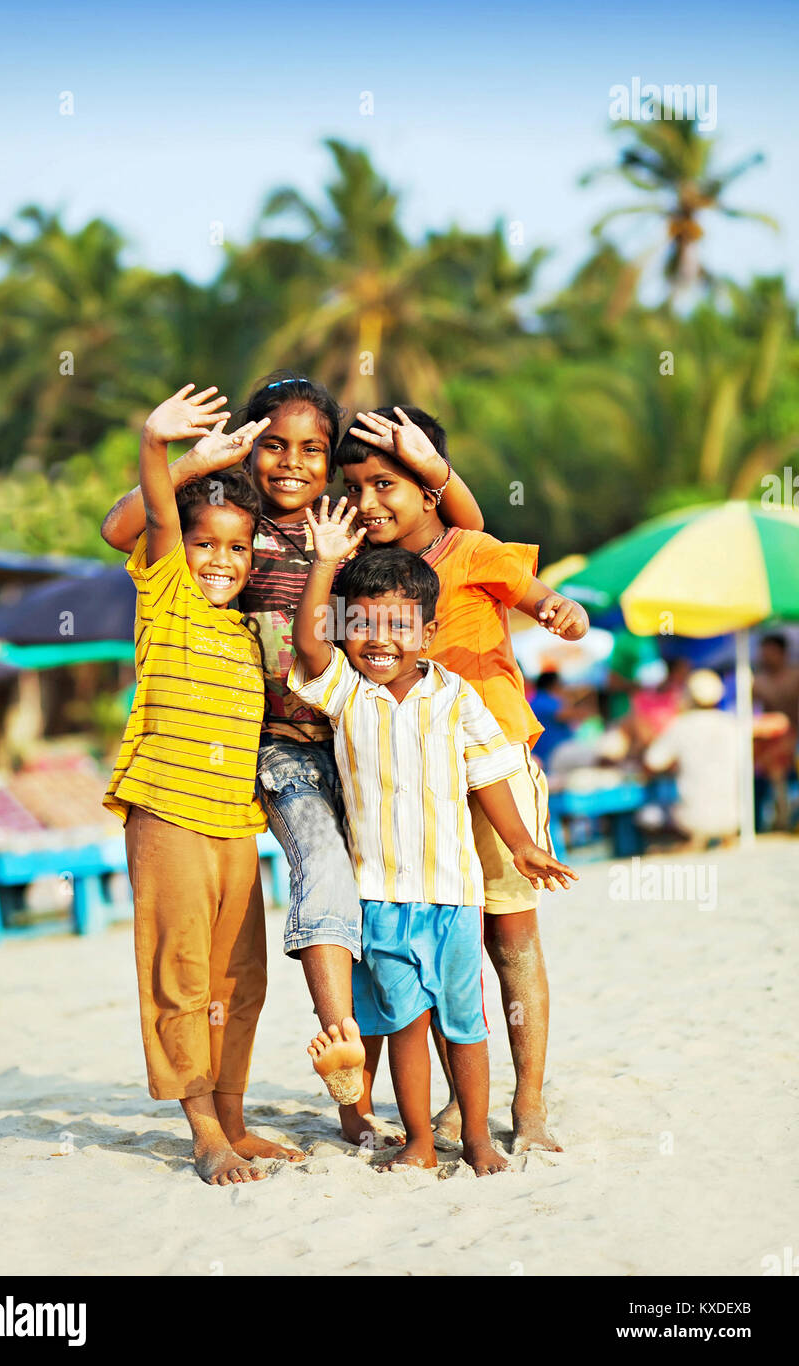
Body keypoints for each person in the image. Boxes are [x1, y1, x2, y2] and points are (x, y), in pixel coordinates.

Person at [100, 375, 484, 1139]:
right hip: (276, 751)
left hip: (356, 743)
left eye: (312, 448)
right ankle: (335, 1050)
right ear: (249, 447)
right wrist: (178, 455)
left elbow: (463, 532)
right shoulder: (230, 527)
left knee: (373, 910)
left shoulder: (346, 526)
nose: (293, 462)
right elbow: (124, 529)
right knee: (326, 875)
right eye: (273, 443)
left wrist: (430, 467)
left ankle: (358, 1104)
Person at [289, 503, 577, 1172]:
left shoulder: (457, 697)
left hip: (454, 898)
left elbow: (489, 775)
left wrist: (523, 844)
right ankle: (420, 1141)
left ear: (429, 630)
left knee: (465, 1026)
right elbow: (308, 645)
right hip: (380, 899)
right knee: (405, 1028)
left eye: (397, 624)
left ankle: (477, 1137)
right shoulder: (344, 691)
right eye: (360, 624)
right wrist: (326, 560)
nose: (378, 638)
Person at [334, 406, 589, 1154]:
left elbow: (537, 597)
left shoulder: (471, 548)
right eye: (355, 487)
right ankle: (455, 1106)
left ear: (428, 486)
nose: (370, 502)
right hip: (408, 794)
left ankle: (530, 1104)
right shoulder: (359, 576)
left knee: (510, 942)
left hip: (495, 770)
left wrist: (561, 613)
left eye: (386, 483)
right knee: (440, 946)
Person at [102, 385, 304, 1185]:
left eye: (237, 548)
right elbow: (150, 518)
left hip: (233, 819)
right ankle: (203, 1134)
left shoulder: (247, 625)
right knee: (180, 972)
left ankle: (235, 1117)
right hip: (167, 809)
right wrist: (161, 450)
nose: (221, 561)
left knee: (237, 979)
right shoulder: (169, 593)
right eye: (206, 544)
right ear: (180, 549)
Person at [643, 668, 739, 845]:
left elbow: (652, 762)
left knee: (648, 815)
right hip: (733, 819)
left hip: (691, 820)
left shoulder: (681, 725)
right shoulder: (731, 724)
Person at [753, 633, 799, 829]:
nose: (766, 657)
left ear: (783, 653)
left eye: (770, 652)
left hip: (794, 737)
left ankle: (786, 816)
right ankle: (773, 818)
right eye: (764, 653)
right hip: (767, 740)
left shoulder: (796, 675)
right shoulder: (757, 681)